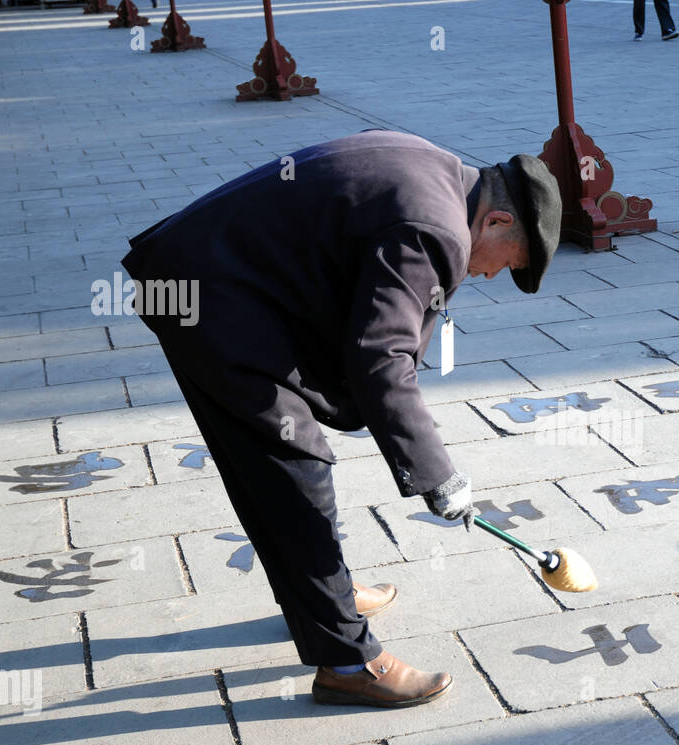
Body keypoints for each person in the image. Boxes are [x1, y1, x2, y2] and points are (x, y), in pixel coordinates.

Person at [120, 130, 562, 708]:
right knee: (293, 466)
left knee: (270, 466)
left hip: (207, 280)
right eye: (511, 262)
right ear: (499, 221)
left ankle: (326, 599)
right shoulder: (438, 228)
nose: (490, 275)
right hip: (213, 298)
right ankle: (347, 662)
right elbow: (384, 356)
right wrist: (438, 477)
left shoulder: (438, 170)